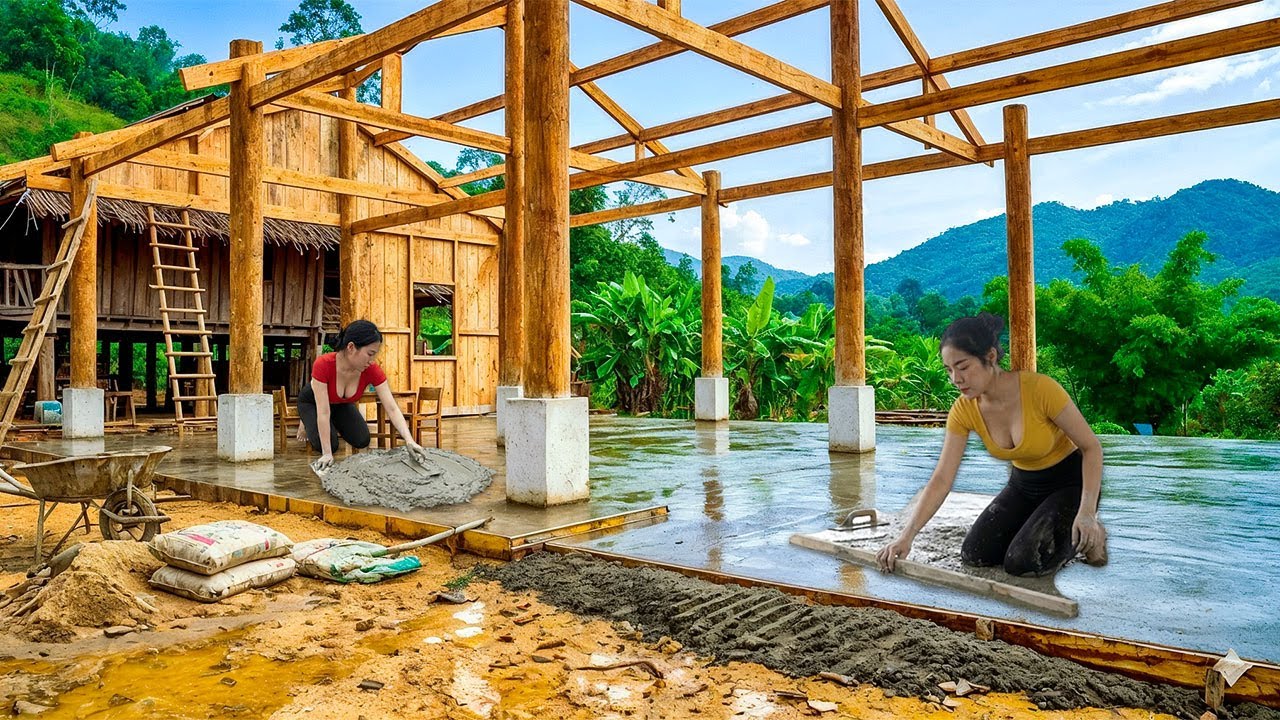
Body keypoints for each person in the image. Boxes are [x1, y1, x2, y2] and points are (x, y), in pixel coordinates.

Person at [876, 313, 1108, 578]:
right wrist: (906, 537)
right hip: (1023, 485)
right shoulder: (964, 409)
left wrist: (1087, 512)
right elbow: (942, 478)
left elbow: (1092, 448)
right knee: (976, 555)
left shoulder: (1041, 390)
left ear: (990, 357)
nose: (955, 379)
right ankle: (1038, 520)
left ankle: (1094, 536)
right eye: (949, 370)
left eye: (963, 367)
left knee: (1022, 562)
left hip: (1071, 483)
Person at [299, 319, 430, 472]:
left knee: (362, 440)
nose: (371, 360)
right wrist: (326, 454)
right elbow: (323, 411)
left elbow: (392, 408)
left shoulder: (371, 369)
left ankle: (332, 423)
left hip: (340, 404)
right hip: (313, 403)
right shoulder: (324, 364)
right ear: (351, 347)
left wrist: (409, 441)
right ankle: (306, 421)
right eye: (369, 354)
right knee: (330, 445)